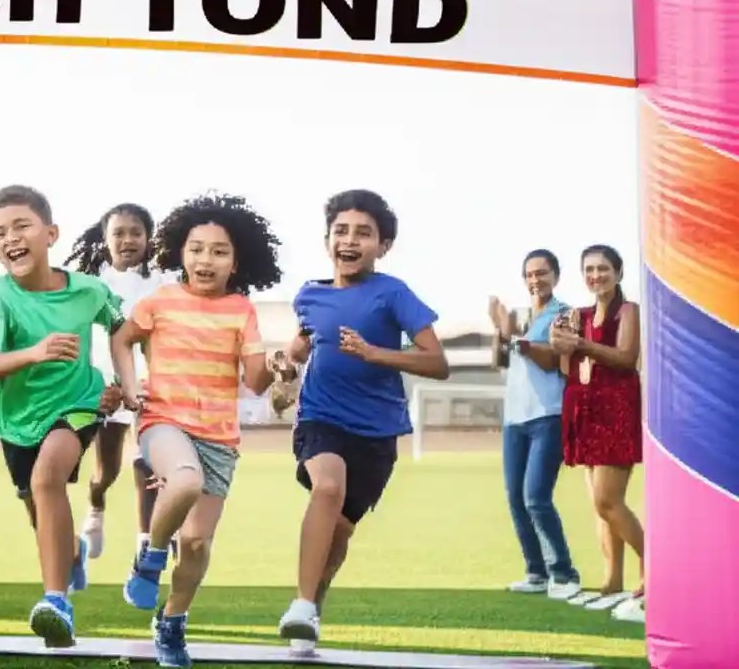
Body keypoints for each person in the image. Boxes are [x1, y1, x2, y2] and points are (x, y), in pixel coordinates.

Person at [113, 192, 283, 668]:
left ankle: (171, 624)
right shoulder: (159, 301)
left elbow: (253, 381)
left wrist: (275, 364)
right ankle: (149, 557)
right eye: (196, 248)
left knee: (197, 543)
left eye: (219, 251)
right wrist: (130, 386)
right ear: (179, 253)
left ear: (236, 261)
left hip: (219, 436)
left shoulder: (241, 311)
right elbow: (122, 339)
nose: (205, 259)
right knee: (184, 480)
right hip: (163, 421)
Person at [276, 189, 450, 651]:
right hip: (320, 418)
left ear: (383, 245)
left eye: (363, 233)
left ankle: (312, 606)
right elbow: (299, 347)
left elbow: (437, 362)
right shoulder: (309, 296)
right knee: (326, 488)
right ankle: (301, 604)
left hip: (377, 431)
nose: (350, 240)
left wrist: (374, 353)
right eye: (341, 231)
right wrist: (285, 368)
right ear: (328, 239)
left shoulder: (393, 293)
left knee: (341, 531)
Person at [0, 185, 123, 648]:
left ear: (51, 233)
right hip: (18, 419)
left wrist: (121, 385)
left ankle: (56, 602)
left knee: (46, 477)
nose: (10, 238)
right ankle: (67, 552)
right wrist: (34, 353)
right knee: (37, 502)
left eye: (21, 226)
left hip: (79, 404)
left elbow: (125, 330)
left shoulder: (90, 290)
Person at [63, 203, 179, 559]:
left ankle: (148, 541)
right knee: (106, 471)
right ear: (105, 239)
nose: (128, 240)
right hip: (106, 387)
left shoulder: (164, 280)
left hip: (151, 385)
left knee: (148, 460)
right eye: (119, 233)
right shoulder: (89, 283)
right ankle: (96, 507)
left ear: (148, 237)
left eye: (136, 232)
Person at [549, 245, 645, 615]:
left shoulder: (628, 311)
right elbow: (564, 369)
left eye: (603, 268)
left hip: (616, 409)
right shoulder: (578, 314)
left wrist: (581, 344)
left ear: (618, 273)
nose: (595, 276)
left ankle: (655, 569)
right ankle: (612, 582)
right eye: (589, 269)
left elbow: (625, 358)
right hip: (585, 411)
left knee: (609, 500)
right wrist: (562, 346)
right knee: (598, 506)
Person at [489, 250, 580, 600]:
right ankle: (536, 572)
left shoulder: (564, 315)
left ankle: (565, 573)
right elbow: (499, 361)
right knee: (515, 498)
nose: (535, 280)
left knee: (536, 497)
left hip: (548, 415)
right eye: (529, 274)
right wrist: (500, 332)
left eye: (542, 273)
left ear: (555, 276)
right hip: (515, 418)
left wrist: (516, 339)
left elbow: (553, 360)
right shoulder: (521, 317)